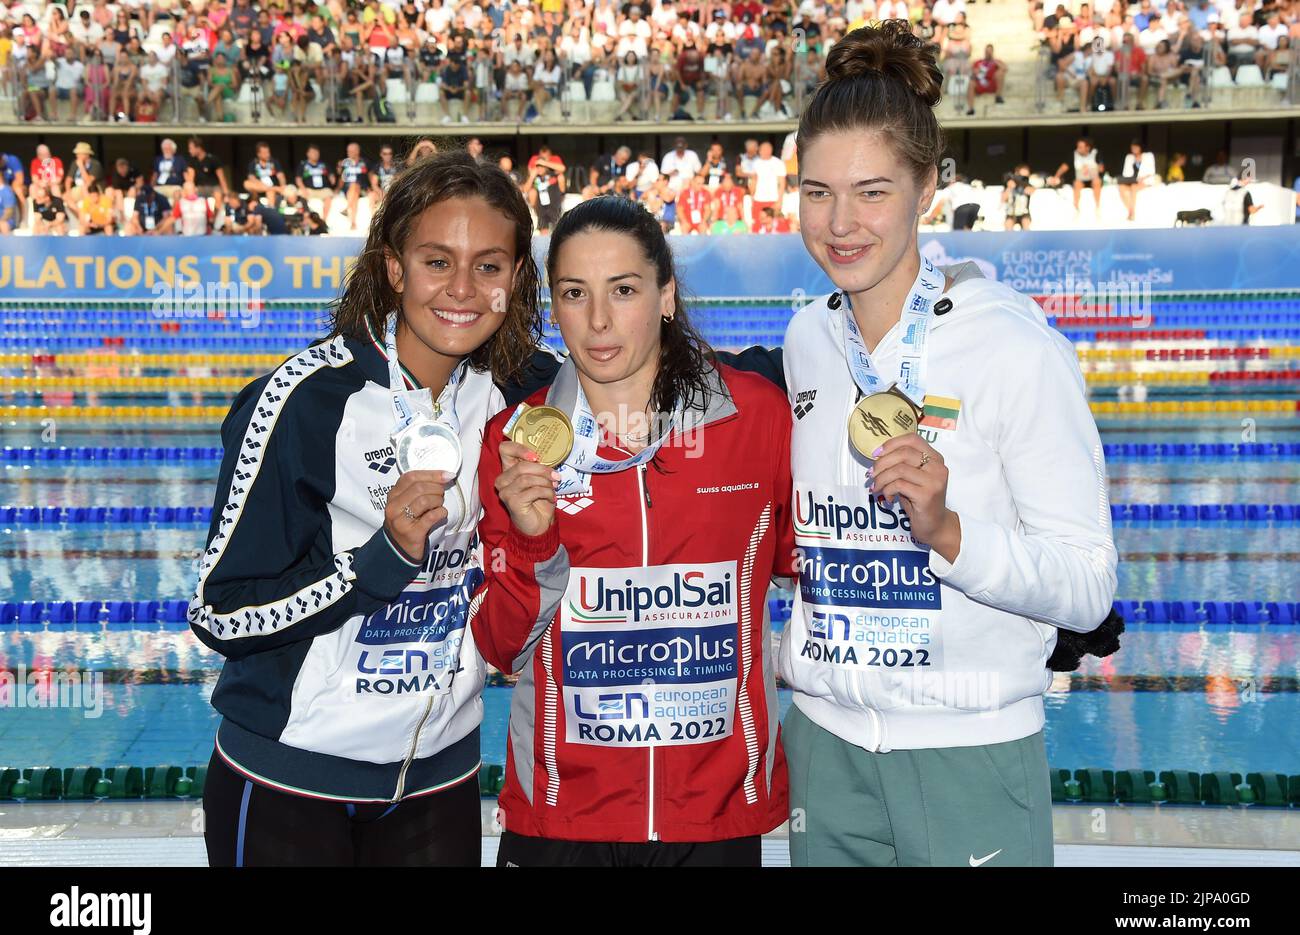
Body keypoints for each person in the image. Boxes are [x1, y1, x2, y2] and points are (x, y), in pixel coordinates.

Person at [781, 21, 1117, 867]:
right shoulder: (805, 341)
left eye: (872, 191)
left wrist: (951, 533)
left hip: (972, 751)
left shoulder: (1014, 347)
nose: (840, 222)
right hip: (824, 750)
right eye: (816, 192)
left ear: (928, 186)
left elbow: (1086, 586)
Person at [191, 151, 547, 867]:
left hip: (437, 780)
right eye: (436, 261)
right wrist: (374, 564)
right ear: (394, 268)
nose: (463, 289)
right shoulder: (304, 404)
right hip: (290, 779)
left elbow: (647, 376)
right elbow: (219, 613)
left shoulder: (525, 393)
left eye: (489, 266)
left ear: (515, 279)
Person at [469, 195, 794, 866]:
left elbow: (812, 563)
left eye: (623, 290)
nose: (597, 321)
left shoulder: (756, 419)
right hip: (562, 819)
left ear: (666, 294)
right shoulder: (515, 441)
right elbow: (502, 647)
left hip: (713, 819)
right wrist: (535, 543)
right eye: (573, 294)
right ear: (552, 305)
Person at [1116, 140, 1157, 221]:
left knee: (1134, 188)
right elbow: (1126, 173)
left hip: (1145, 181)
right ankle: (1131, 211)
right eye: (1132, 147)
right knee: (1121, 187)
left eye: (1136, 147)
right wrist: (1133, 180)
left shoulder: (1148, 156)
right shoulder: (1129, 157)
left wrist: (1142, 178)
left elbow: (1152, 171)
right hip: (1132, 181)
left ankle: (1132, 213)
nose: (1134, 149)